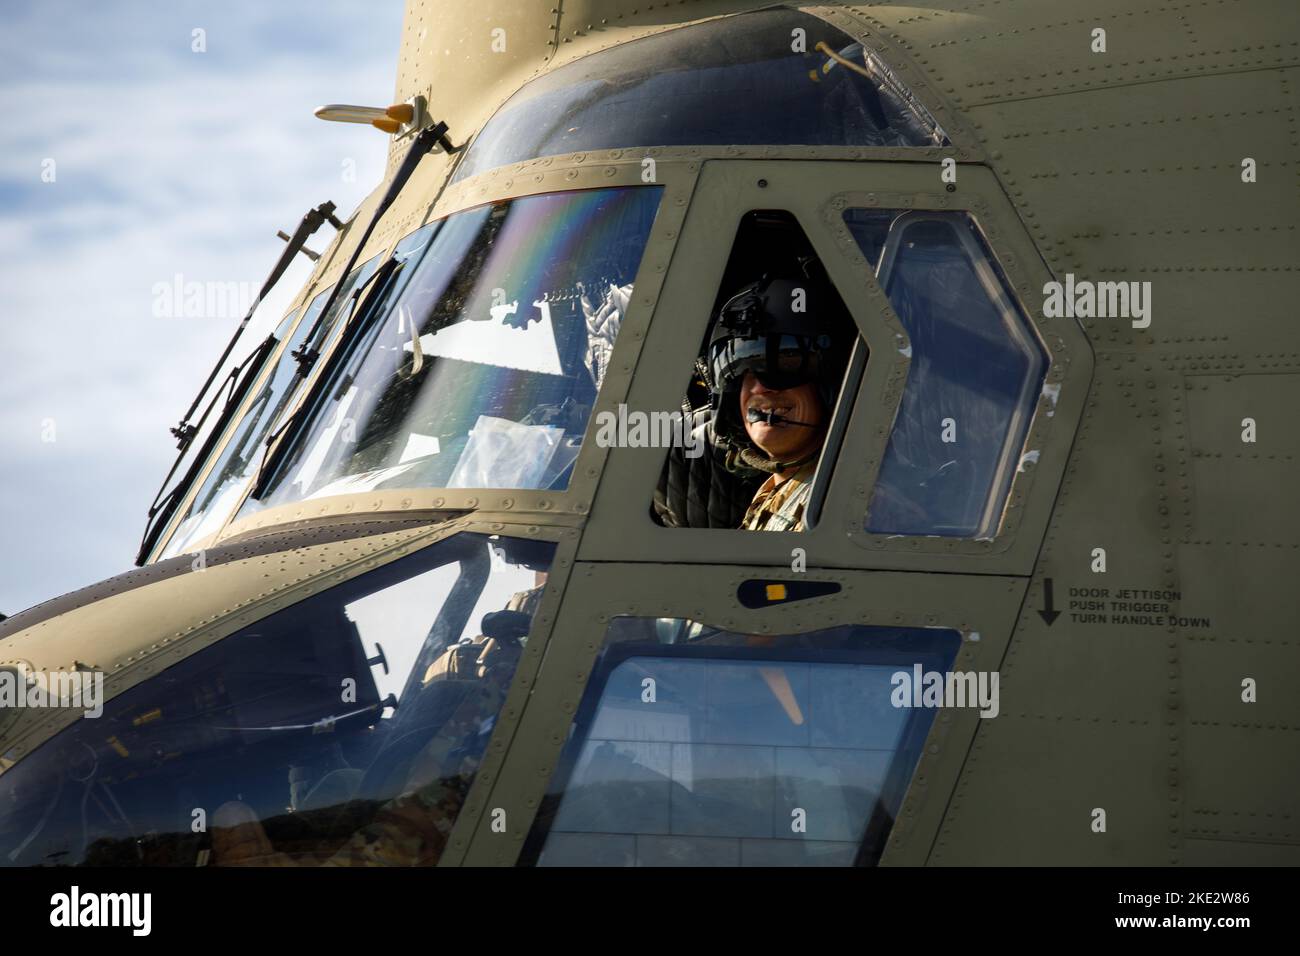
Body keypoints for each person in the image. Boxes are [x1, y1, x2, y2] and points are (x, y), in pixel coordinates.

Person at [704, 273, 851, 531]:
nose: (760, 388)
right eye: (738, 374)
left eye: (783, 367)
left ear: (832, 385)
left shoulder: (849, 505)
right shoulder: (777, 493)